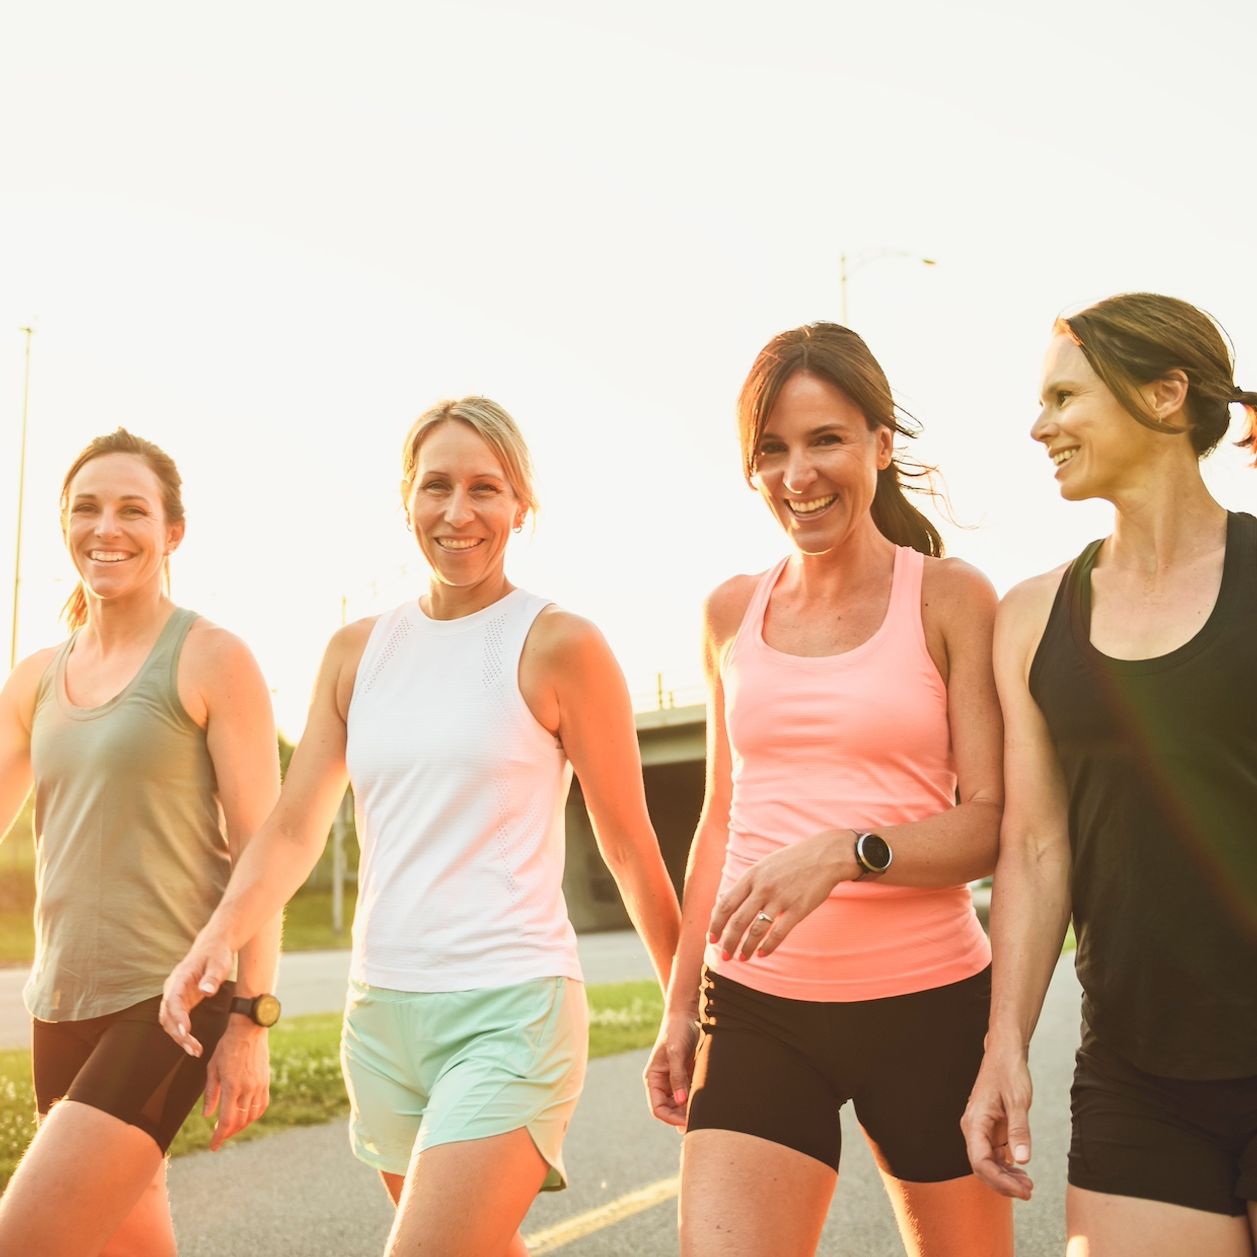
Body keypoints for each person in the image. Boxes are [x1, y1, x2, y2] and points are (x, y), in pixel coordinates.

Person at [160, 396, 681, 1257]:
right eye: (436, 485)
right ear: (406, 497)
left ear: (521, 505)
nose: (457, 511)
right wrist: (218, 937)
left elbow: (627, 843)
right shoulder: (355, 652)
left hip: (512, 1009)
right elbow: (291, 831)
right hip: (381, 1018)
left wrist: (683, 1005)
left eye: (485, 488)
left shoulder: (559, 643)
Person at [644, 322, 1012, 1256]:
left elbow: (989, 822)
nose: (796, 473)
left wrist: (848, 852)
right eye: (771, 449)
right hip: (758, 1007)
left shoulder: (951, 597)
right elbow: (719, 821)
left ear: (880, 445)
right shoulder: (729, 610)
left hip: (929, 1006)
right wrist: (679, 1004)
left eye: (825, 440)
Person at [962, 292, 1257, 1255]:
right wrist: (1003, 1044)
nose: (1038, 426)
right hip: (1136, 1073)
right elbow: (1033, 846)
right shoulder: (1031, 615)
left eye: (1063, 397)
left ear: (1164, 395)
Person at [0, 428, 282, 1257]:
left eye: (132, 509)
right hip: (59, 1003)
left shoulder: (212, 658)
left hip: (168, 1003)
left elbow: (265, 852)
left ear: (172, 532)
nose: (106, 527)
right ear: (64, 524)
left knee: (27, 1239)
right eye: (86, 508)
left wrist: (251, 1018)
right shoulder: (36, 677)